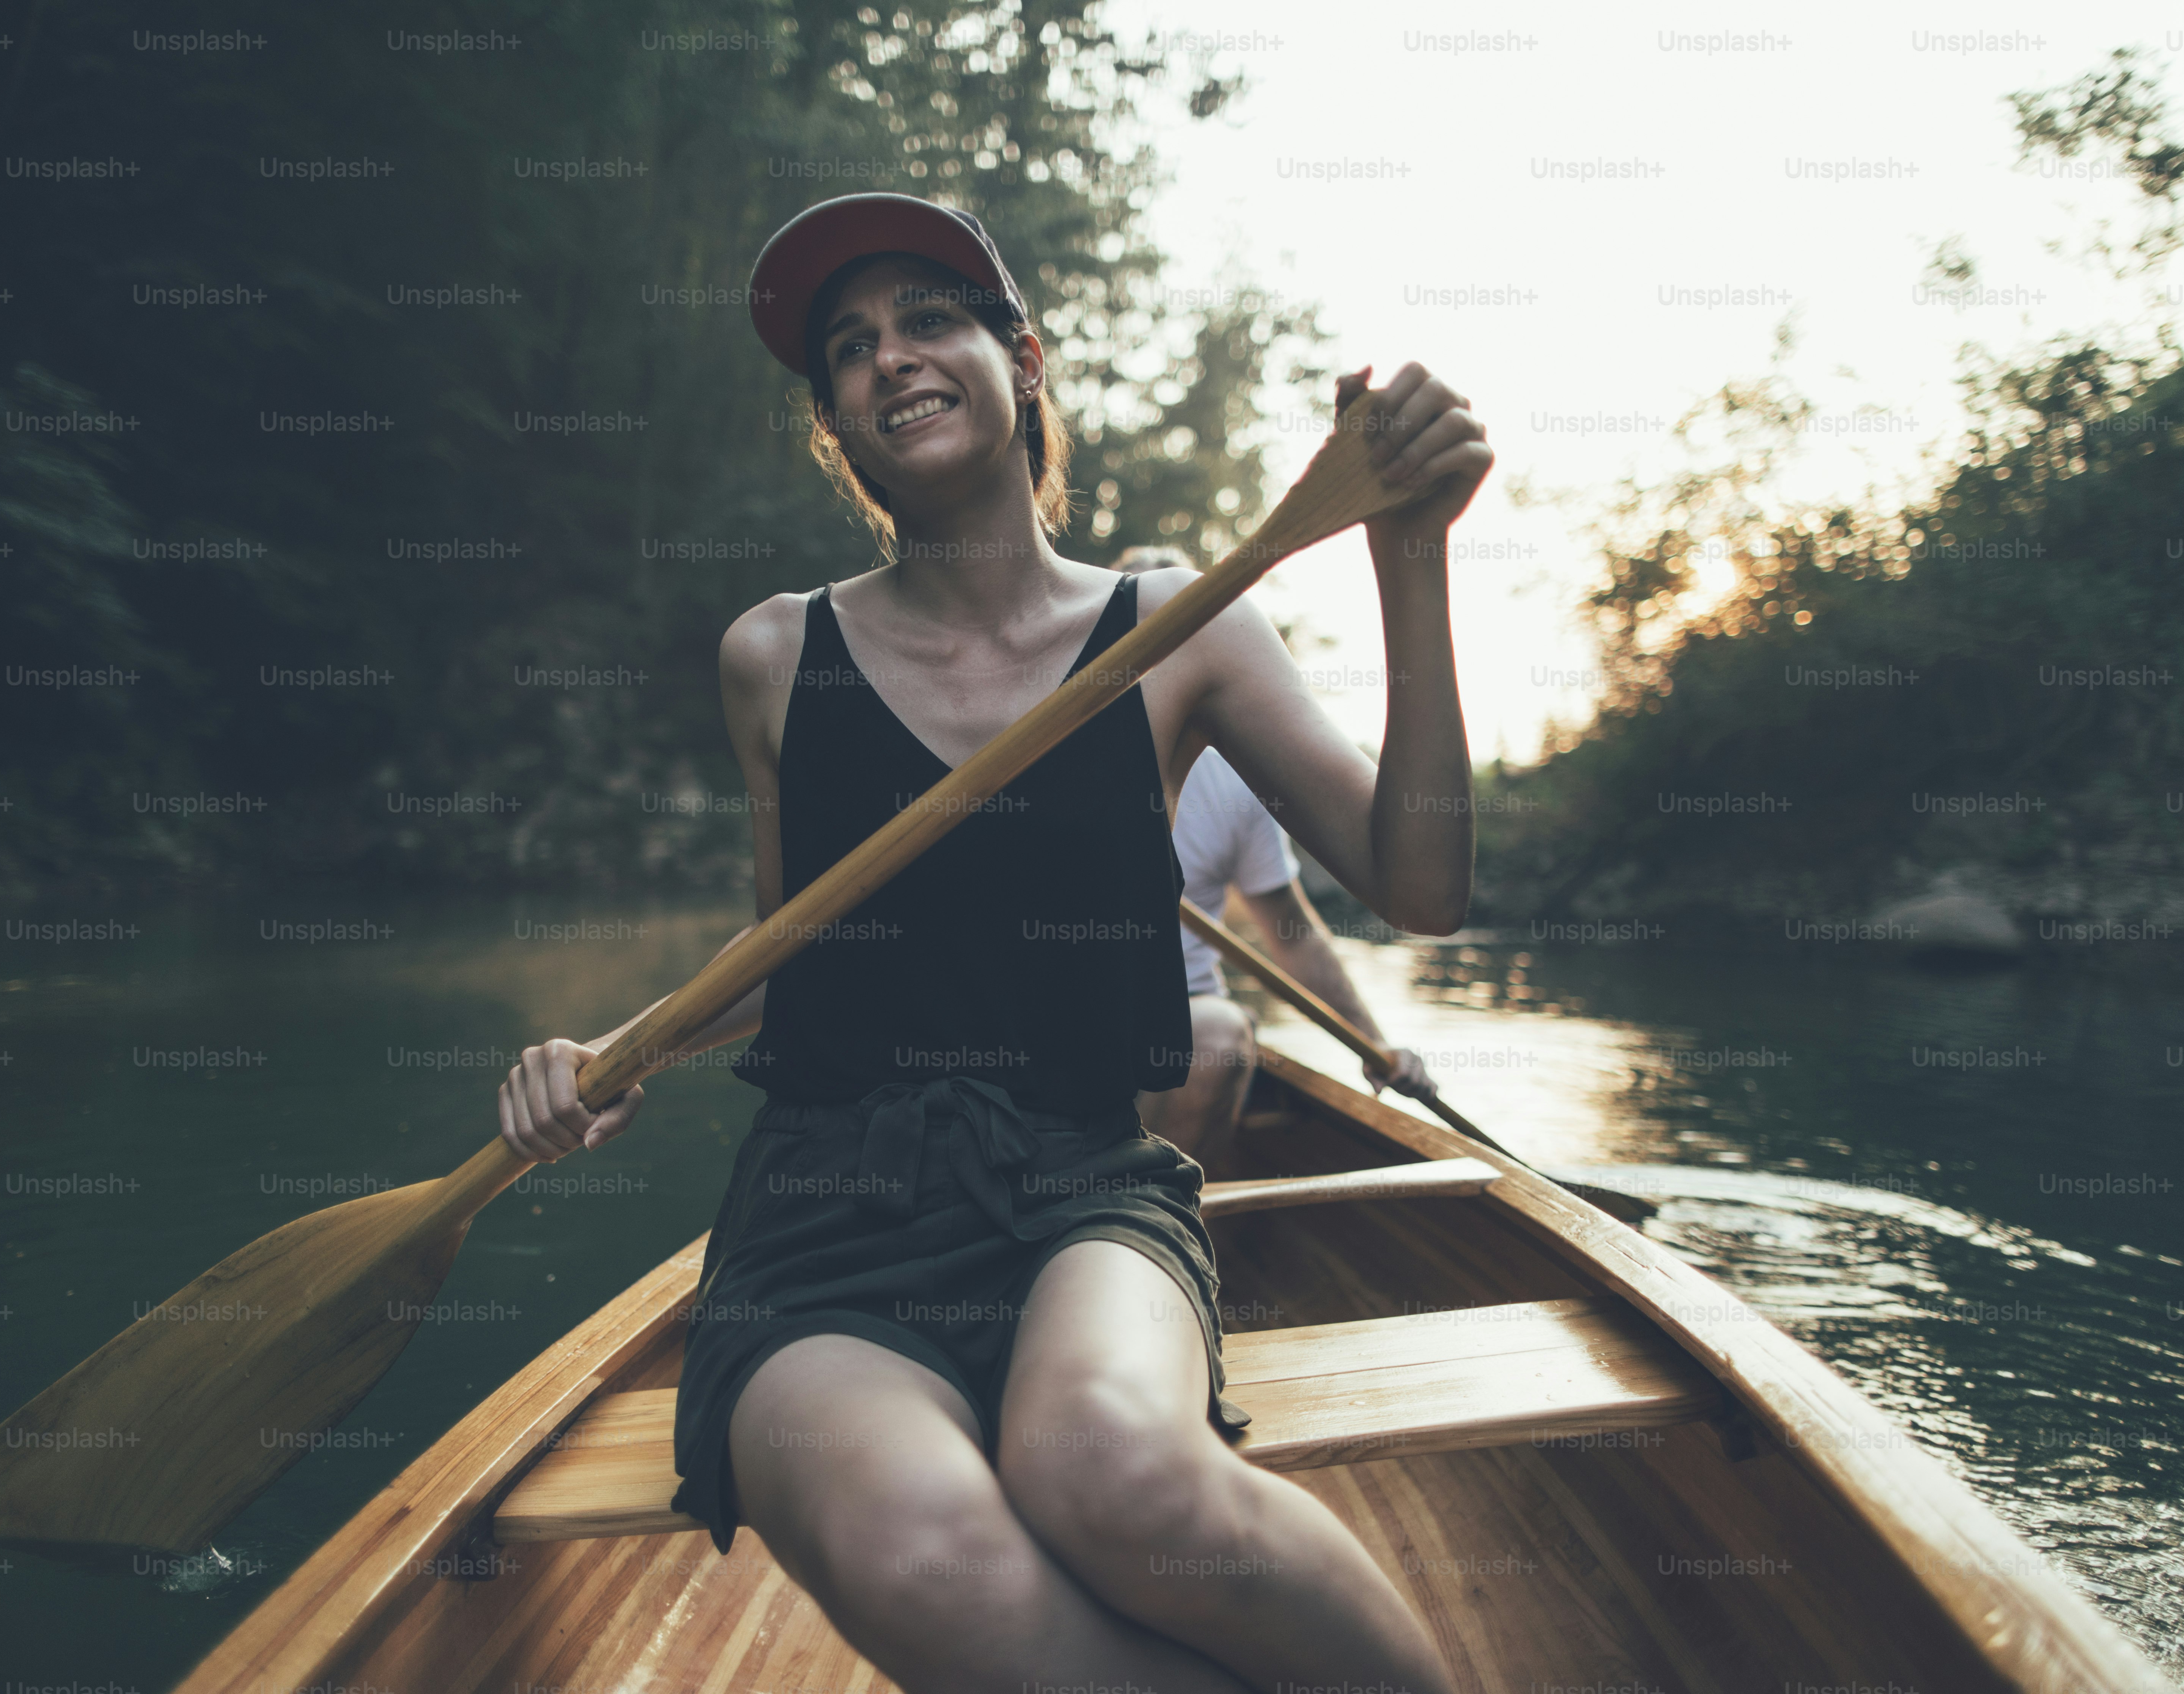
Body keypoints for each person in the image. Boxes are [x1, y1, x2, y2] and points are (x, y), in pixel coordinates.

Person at [494, 192, 1487, 1694]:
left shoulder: (1183, 627)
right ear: (837, 428)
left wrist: (1409, 552)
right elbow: (788, 957)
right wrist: (608, 1057)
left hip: (1084, 1187)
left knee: (1119, 1474)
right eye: (849, 347)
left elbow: (1421, 883)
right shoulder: (774, 654)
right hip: (823, 1224)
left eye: (929, 319)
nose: (889, 356)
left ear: (1022, 362)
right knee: (927, 1554)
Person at [1115, 547, 1433, 1160]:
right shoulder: (1049, 750)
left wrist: (1375, 1045)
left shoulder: (1239, 781)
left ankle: (1155, 1209)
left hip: (1183, 1019)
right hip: (1068, 1015)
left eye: (1177, 631)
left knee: (1221, 1035)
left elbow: (1292, 932)